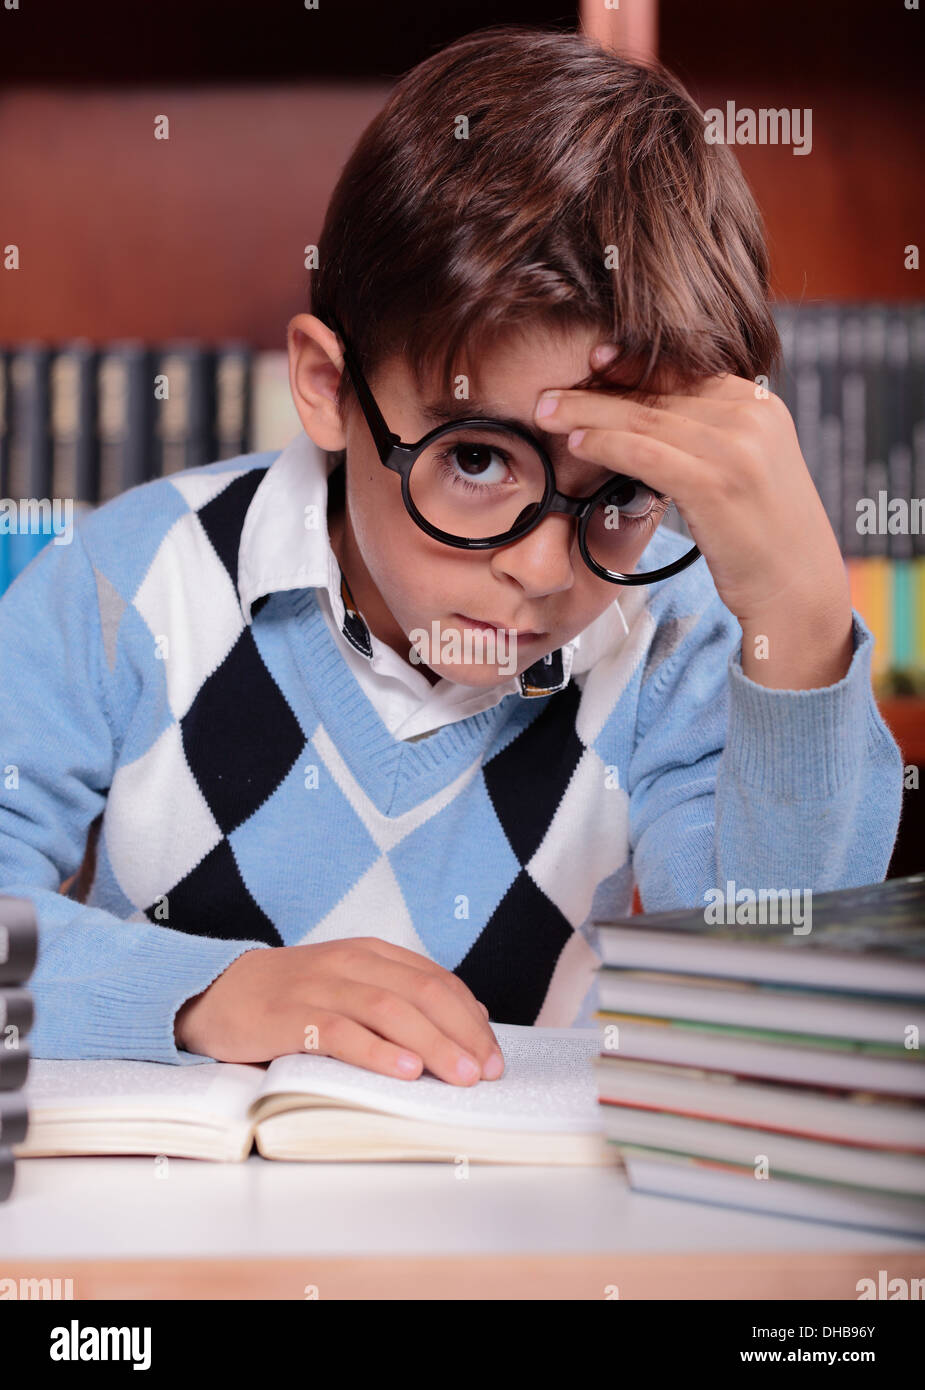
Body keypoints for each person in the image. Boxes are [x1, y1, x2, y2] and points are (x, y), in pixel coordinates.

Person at [0, 27, 902, 1086]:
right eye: (478, 458)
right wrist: (201, 995)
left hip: (543, 1247)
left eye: (620, 491)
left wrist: (795, 623)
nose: (545, 569)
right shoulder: (123, 582)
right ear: (330, 389)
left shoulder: (683, 637)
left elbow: (780, 1030)